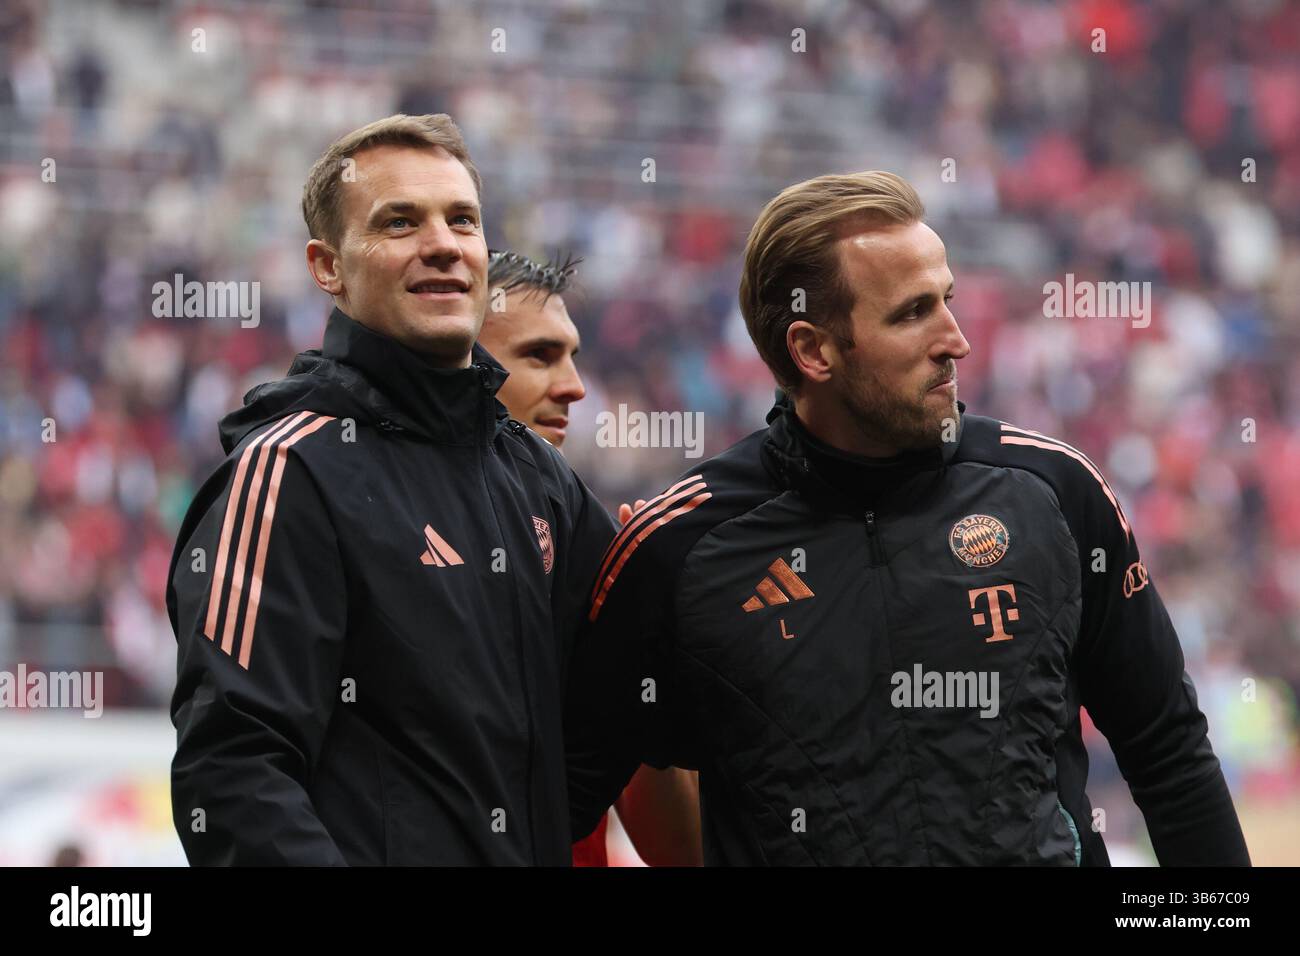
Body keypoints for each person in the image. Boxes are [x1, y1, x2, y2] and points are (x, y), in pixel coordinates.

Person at [564, 170, 1251, 866]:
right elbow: (555, 804)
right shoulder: (676, 549)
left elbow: (1170, 753)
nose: (956, 339)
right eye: (912, 312)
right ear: (812, 350)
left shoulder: (1056, 491)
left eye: (946, 300)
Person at [167, 113, 617, 865]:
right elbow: (234, 772)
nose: (442, 243)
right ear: (328, 266)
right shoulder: (288, 474)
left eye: (462, 220)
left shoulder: (541, 484)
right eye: (400, 222)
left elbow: (628, 699)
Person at [479, 249, 702, 866]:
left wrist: (644, 634)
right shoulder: (364, 525)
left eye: (573, 355)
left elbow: (677, 851)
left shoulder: (588, 554)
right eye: (538, 355)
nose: (576, 385)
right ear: (457, 360)